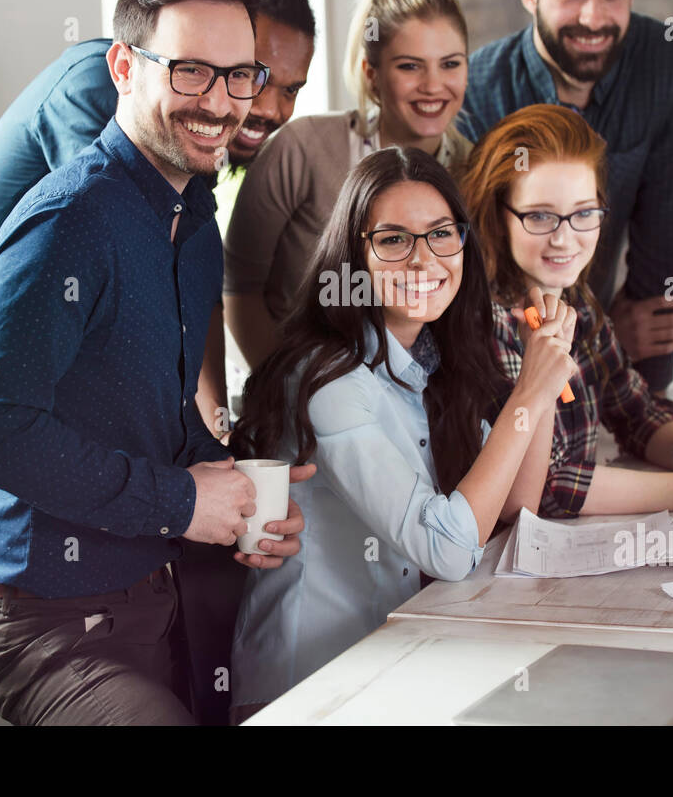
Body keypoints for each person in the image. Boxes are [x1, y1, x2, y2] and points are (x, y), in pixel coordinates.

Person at [0, 0, 313, 724]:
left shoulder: (190, 222)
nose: (230, 102)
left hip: (127, 582)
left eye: (244, 77)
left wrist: (230, 485)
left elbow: (144, 371)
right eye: (192, 70)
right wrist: (186, 496)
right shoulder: (77, 211)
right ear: (125, 67)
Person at [227, 146, 578, 720]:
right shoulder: (328, 381)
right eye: (393, 240)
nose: (424, 260)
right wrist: (530, 392)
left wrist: (543, 382)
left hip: (398, 666)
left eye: (442, 234)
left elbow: (517, 508)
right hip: (307, 691)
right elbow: (446, 549)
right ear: (353, 259)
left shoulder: (433, 362)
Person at [459, 104, 673, 518]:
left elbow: (632, 407)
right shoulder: (486, 322)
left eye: (584, 213)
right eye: (541, 216)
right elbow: (553, 484)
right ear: (499, 215)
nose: (565, 240)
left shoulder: (574, 298)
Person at [459, 0, 673, 403]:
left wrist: (647, 406)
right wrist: (595, 334)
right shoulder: (478, 88)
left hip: (618, 365)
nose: (594, 18)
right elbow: (473, 274)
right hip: (497, 373)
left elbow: (671, 256)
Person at [224, 0, 474, 369]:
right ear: (371, 76)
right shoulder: (302, 149)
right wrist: (286, 396)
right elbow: (239, 286)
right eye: (410, 66)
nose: (433, 85)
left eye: (450, 64)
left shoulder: (476, 173)